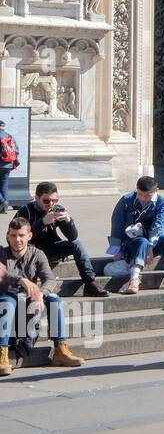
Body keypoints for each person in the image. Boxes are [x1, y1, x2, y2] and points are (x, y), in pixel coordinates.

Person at [0, 217, 85, 375]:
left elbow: (50, 279)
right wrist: (21, 280)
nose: (17, 240)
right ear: (7, 236)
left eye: (21, 235)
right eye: (13, 236)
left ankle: (60, 350)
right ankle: (1, 355)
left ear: (29, 236)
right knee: (7, 303)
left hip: (30, 299)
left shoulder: (37, 254)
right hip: (7, 296)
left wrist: (40, 293)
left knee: (54, 300)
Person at [20, 182, 108, 297]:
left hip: (51, 249)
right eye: (46, 201)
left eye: (55, 200)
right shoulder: (25, 211)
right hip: (32, 251)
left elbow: (72, 237)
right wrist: (42, 223)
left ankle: (90, 283)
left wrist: (68, 221)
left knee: (77, 244)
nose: (51, 204)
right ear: (36, 198)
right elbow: (19, 238)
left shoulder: (56, 209)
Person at [108, 176, 164, 295]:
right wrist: (116, 250)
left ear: (156, 190)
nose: (143, 199)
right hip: (130, 244)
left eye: (148, 195)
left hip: (150, 242)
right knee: (142, 241)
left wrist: (151, 246)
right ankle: (134, 280)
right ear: (137, 190)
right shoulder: (126, 200)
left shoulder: (162, 203)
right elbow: (116, 224)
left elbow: (158, 225)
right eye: (140, 194)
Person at [0, 121, 18, 213]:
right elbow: (16, 150)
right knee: (4, 186)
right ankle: (4, 209)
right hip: (8, 165)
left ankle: (3, 201)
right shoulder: (10, 136)